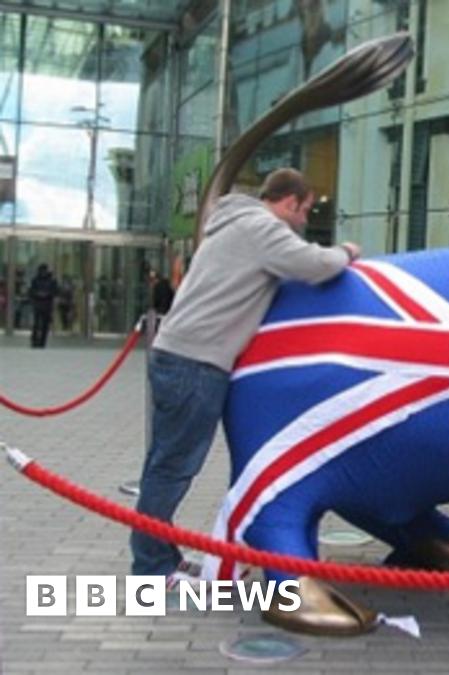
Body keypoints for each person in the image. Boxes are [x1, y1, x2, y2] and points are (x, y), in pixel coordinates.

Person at [130, 168, 361, 578]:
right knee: (173, 467)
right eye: (306, 211)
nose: (306, 221)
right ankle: (150, 567)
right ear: (288, 203)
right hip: (196, 362)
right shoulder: (261, 229)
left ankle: (161, 557)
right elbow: (314, 264)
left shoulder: (233, 222)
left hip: (178, 354)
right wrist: (346, 251)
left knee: (164, 462)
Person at [28, 263, 58, 348]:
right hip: (38, 304)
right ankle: (34, 340)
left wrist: (46, 294)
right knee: (36, 324)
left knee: (45, 324)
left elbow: (55, 292)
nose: (43, 272)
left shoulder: (52, 280)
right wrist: (37, 294)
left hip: (47, 305)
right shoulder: (35, 280)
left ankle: (42, 341)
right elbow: (31, 291)